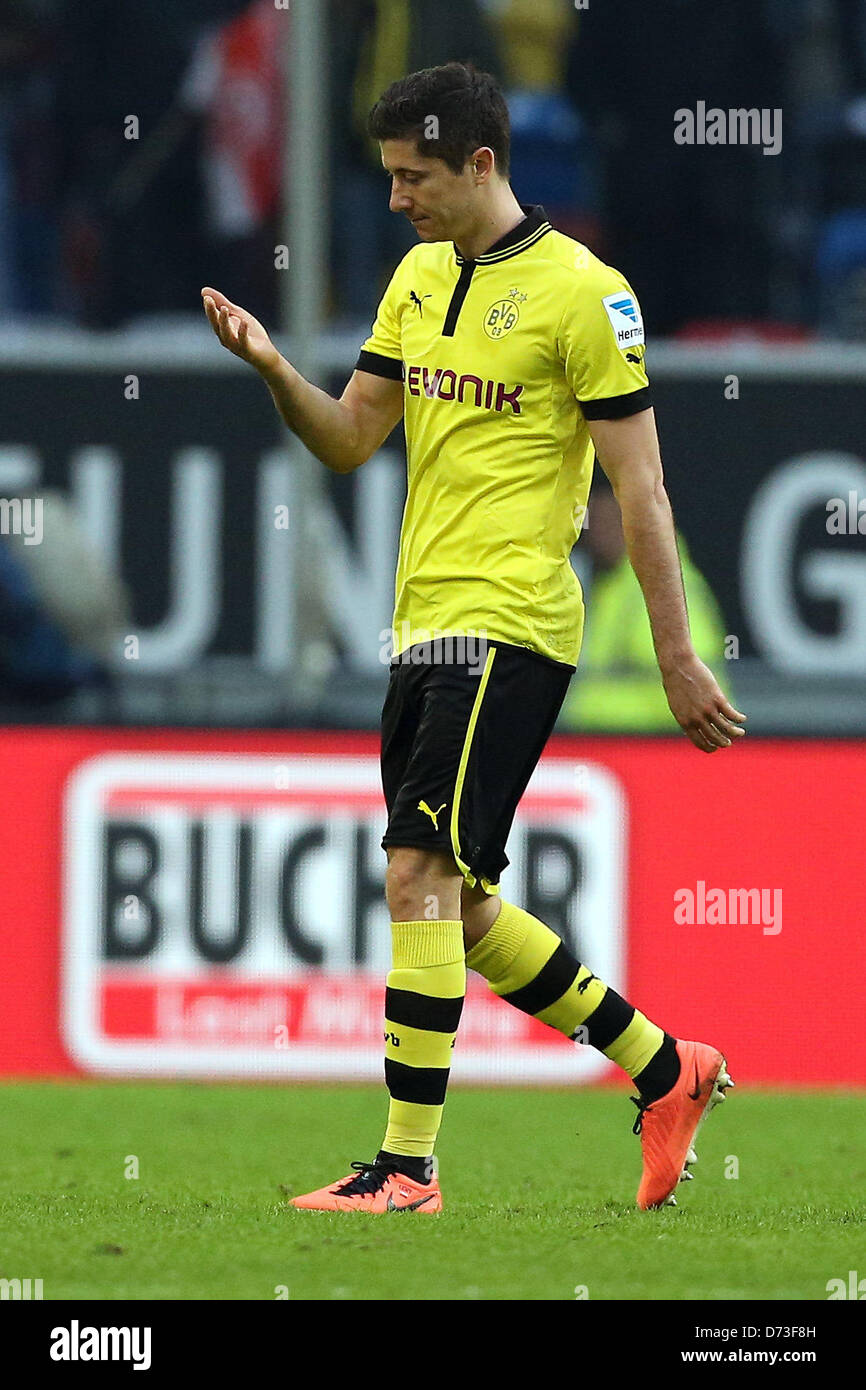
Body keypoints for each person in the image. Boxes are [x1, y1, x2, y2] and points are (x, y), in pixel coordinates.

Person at [201, 61, 744, 1214]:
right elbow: (351, 437)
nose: (396, 197)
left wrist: (676, 651)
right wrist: (270, 368)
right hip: (424, 628)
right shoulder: (414, 278)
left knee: (417, 873)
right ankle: (665, 1067)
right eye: (390, 176)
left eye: (415, 177)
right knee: (463, 900)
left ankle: (405, 1169)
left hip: (509, 626)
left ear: (480, 162)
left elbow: (638, 494)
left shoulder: (585, 295)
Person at [559, 475, 732, 732]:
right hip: (604, 740)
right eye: (593, 524)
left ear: (635, 523)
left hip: (650, 739)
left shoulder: (665, 587)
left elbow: (695, 668)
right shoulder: (612, 585)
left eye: (610, 522)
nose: (597, 534)